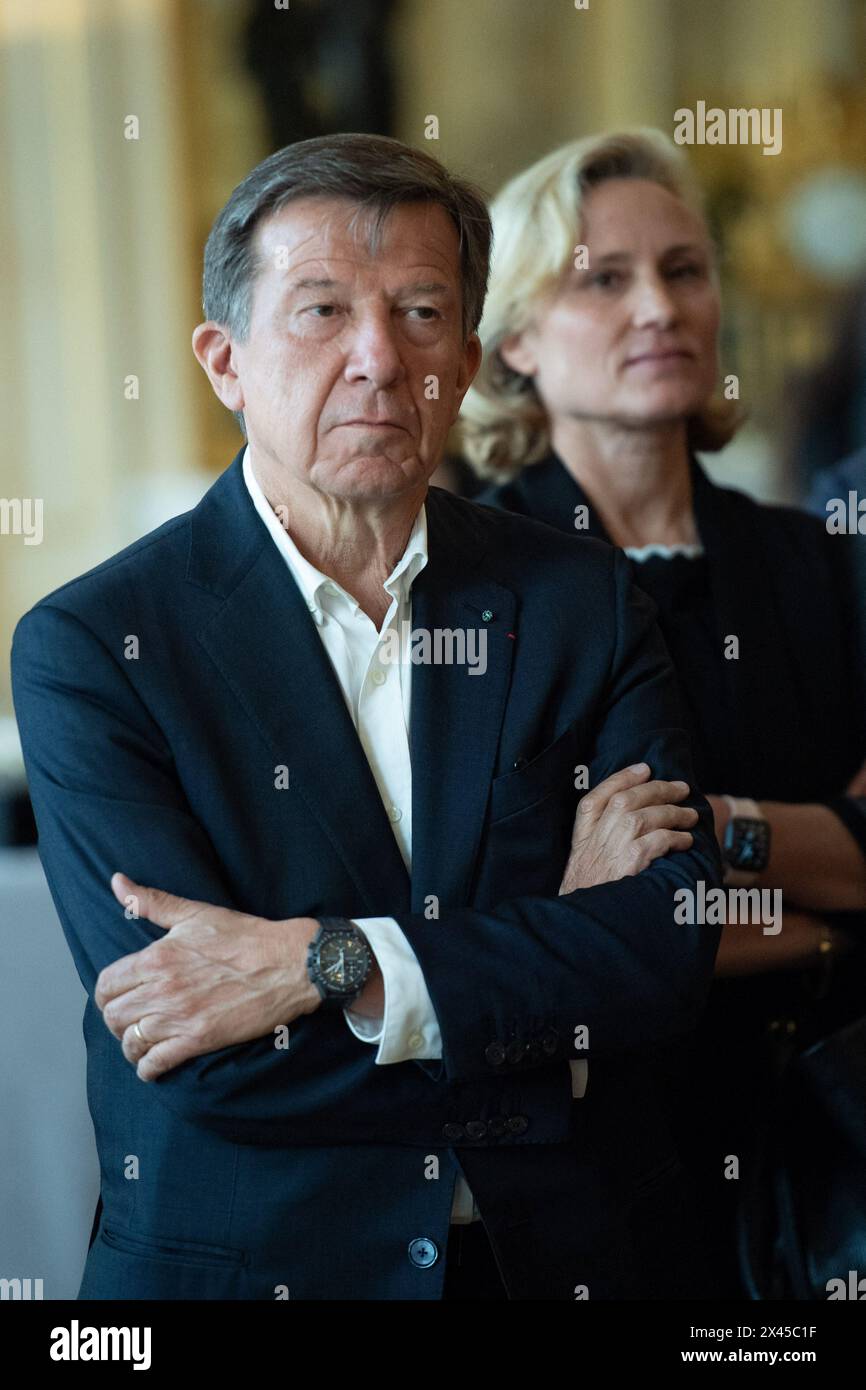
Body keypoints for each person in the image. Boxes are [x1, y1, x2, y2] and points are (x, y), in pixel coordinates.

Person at [11, 133, 722, 1302]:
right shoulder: (97, 648)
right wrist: (553, 1002)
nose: (379, 359)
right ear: (224, 360)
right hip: (259, 1270)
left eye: (422, 312)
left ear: (471, 355)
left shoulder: (578, 597)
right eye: (322, 311)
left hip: (554, 1262)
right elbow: (204, 1050)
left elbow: (665, 948)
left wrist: (317, 963)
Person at [462, 127, 866, 1296]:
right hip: (594, 1167)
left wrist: (708, 834)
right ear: (517, 339)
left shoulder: (815, 559)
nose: (659, 305)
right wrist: (828, 890)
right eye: (604, 278)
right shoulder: (469, 587)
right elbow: (523, 930)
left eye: (683, 270)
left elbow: (639, 912)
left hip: (820, 1135)